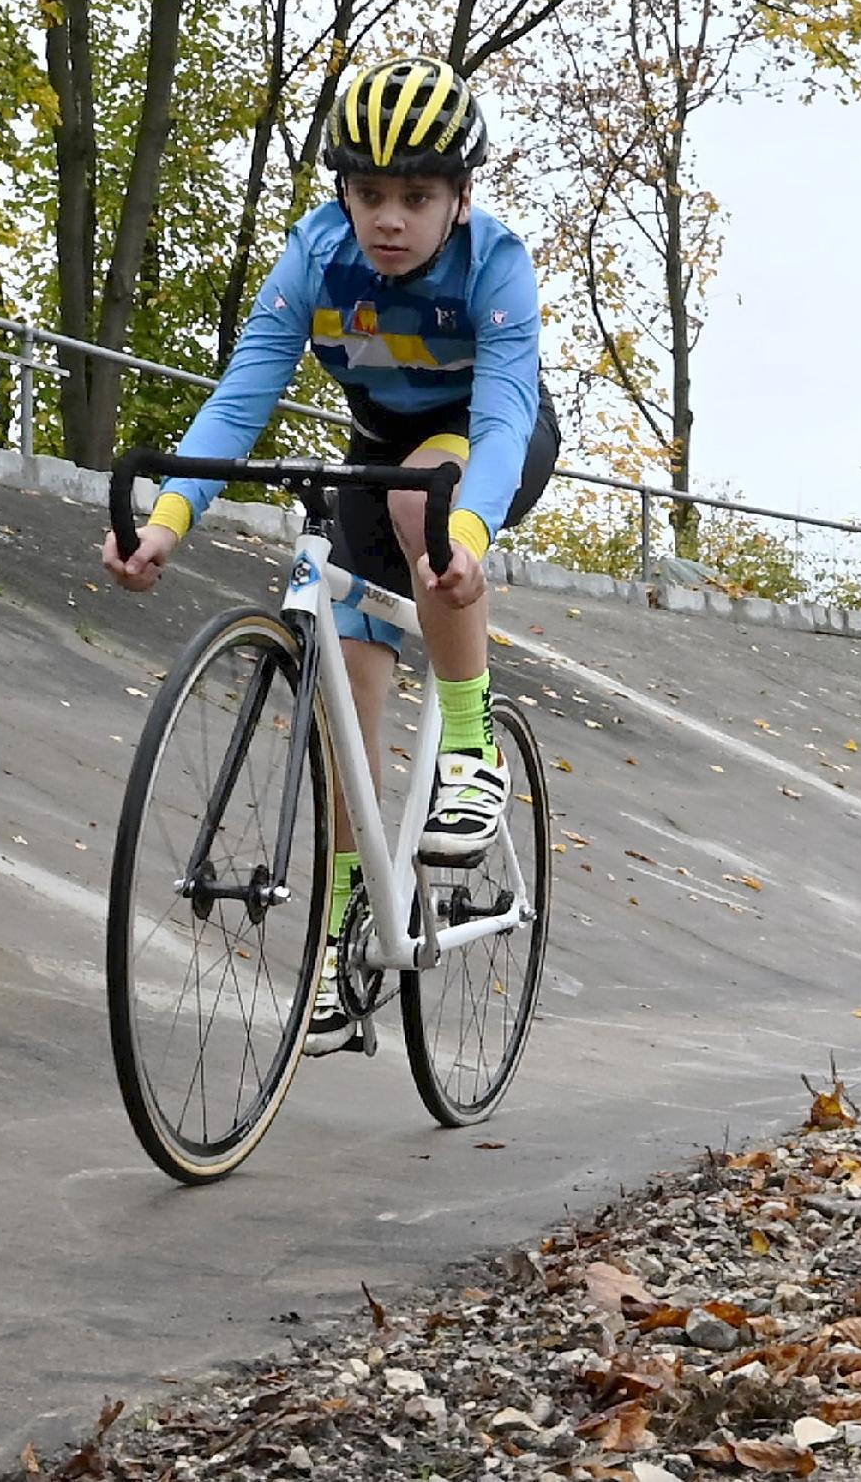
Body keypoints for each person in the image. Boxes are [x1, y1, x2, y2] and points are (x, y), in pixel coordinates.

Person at [97, 55, 560, 1054]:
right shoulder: (315, 257)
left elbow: (506, 409)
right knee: (346, 705)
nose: (389, 218)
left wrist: (464, 538)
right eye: (369, 194)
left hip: (484, 443)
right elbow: (242, 397)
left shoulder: (497, 265)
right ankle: (349, 925)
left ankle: (472, 754)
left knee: (414, 501)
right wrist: (167, 523)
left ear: (459, 197)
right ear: (341, 191)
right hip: (380, 447)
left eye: (417, 196)